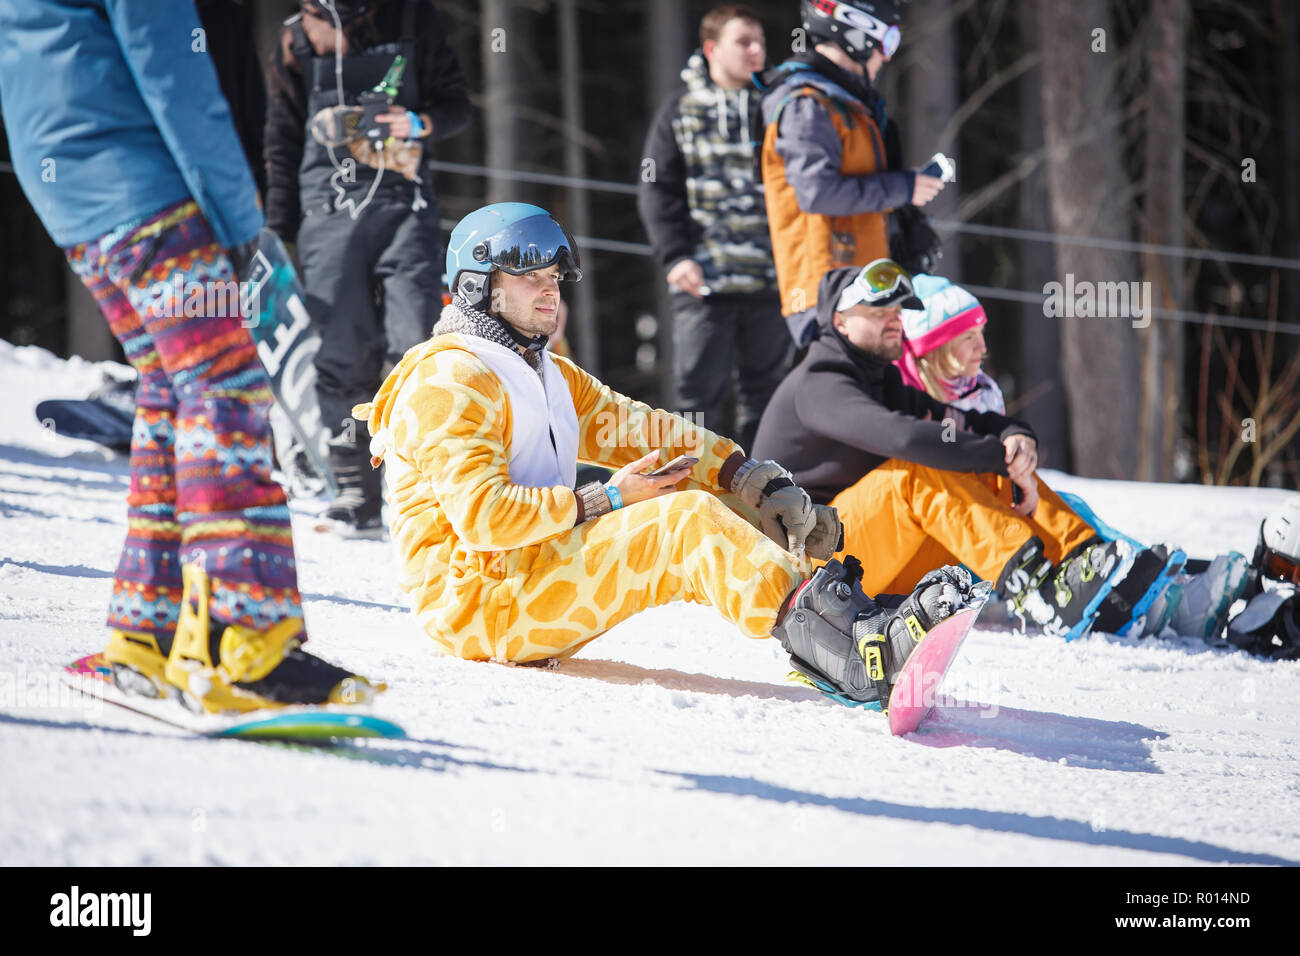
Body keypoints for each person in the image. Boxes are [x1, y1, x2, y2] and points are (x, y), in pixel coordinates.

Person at [352, 203, 980, 705]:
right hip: (477, 606)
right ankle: (857, 654)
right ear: (477, 286)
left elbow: (643, 430)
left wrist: (747, 479)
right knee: (679, 523)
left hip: (524, 574)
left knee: (700, 493)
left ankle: (853, 625)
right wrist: (608, 497)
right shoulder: (450, 380)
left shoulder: (541, 369)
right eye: (530, 278)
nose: (550, 293)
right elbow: (484, 518)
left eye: (553, 279)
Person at [0, 0, 378, 711]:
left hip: (75, 197)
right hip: (147, 194)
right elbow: (171, 66)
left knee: (171, 393)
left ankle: (148, 630)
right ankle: (244, 644)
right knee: (225, 391)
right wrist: (241, 222)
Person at [751, 261, 1148, 638]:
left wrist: (1013, 437)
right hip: (810, 577)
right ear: (839, 321)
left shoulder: (882, 381)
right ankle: (1034, 589)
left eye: (897, 311)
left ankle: (1083, 567)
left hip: (860, 563)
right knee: (917, 473)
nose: (893, 318)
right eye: (877, 311)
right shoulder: (818, 384)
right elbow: (904, 438)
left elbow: (957, 423)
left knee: (969, 462)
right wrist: (996, 456)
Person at [265, 0, 470, 536]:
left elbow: (458, 105)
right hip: (326, 213)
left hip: (406, 208)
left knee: (416, 348)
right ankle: (354, 489)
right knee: (341, 352)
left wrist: (419, 121)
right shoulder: (295, 38)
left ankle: (424, 490)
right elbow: (282, 138)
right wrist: (276, 228)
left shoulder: (410, 17)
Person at [638, 4, 788, 452]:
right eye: (743, 41)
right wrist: (675, 257)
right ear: (711, 49)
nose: (756, 50)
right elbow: (655, 188)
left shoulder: (782, 106)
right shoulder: (679, 112)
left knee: (767, 399)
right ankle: (693, 496)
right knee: (696, 398)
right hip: (704, 284)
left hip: (773, 280)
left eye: (760, 41)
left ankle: (766, 499)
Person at [755, 0, 944, 347]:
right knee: (843, 396)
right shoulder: (807, 104)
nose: (887, 57)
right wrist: (904, 188)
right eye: (887, 41)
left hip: (860, 289)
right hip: (828, 296)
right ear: (855, 34)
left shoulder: (846, 103)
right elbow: (817, 193)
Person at [896, 274, 1005, 415]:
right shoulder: (903, 398)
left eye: (980, 332)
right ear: (935, 348)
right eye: (969, 337)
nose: (982, 348)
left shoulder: (986, 392)